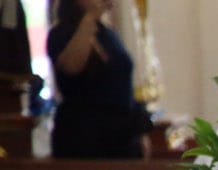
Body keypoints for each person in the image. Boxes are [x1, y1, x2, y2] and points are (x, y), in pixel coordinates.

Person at [46, 0, 153, 159]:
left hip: (122, 136)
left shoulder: (109, 35)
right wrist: (89, 18)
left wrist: (140, 131)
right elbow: (72, 66)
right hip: (85, 135)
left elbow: (122, 85)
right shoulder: (61, 33)